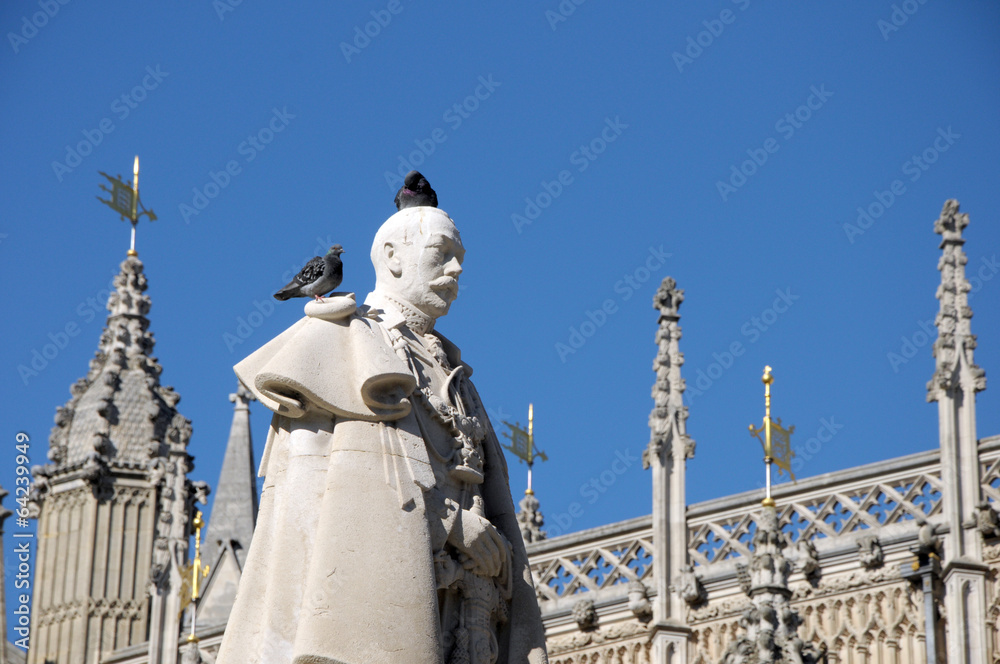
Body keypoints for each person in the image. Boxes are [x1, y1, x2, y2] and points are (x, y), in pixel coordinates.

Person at [216, 206, 548, 664]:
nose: (456, 269)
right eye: (442, 253)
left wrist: (499, 558)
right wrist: (451, 524)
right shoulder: (343, 339)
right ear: (392, 256)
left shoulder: (457, 376)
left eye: (460, 259)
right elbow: (326, 496)